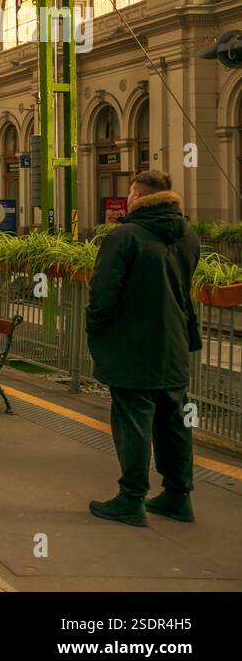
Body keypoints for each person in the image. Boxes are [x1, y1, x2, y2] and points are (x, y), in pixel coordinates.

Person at [86, 170, 201, 526]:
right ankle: (178, 497)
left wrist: (97, 329)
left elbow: (104, 293)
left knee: (133, 421)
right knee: (174, 421)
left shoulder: (124, 236)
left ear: (136, 195)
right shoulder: (188, 236)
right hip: (174, 344)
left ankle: (131, 499)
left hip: (132, 346)